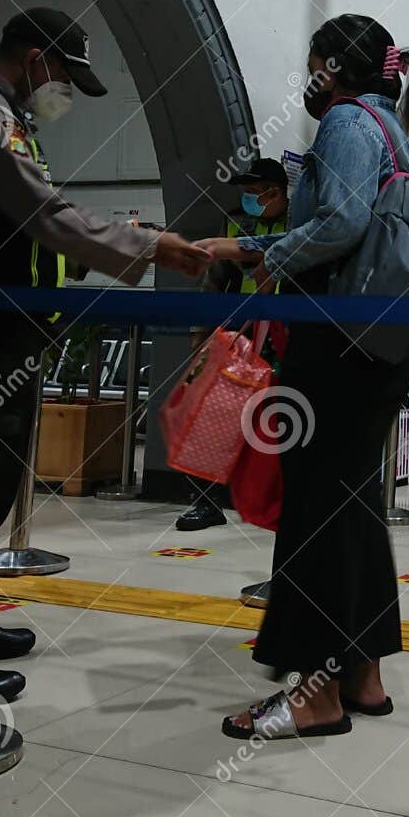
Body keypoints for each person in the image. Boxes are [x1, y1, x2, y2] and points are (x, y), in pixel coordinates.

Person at [0, 7, 209, 705]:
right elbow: (46, 216)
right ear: (35, 59)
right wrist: (150, 244)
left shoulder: (10, 120)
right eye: (63, 72)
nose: (64, 88)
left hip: (9, 333)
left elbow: (44, 221)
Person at [200, 15, 409, 741]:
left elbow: (340, 223)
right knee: (353, 504)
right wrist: (246, 244)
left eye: (312, 65)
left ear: (331, 67)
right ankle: (362, 673)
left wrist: (271, 257)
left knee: (316, 507)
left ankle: (315, 693)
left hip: (335, 341)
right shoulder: (391, 126)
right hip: (378, 344)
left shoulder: (345, 125)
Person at [173, 158, 288, 542]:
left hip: (286, 335)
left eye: (259, 193)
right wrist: (200, 334)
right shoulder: (237, 224)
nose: (252, 200)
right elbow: (213, 282)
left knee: (280, 420)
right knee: (213, 414)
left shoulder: (302, 222)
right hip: (238, 333)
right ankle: (206, 501)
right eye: (247, 193)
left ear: (279, 191)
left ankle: (275, 499)